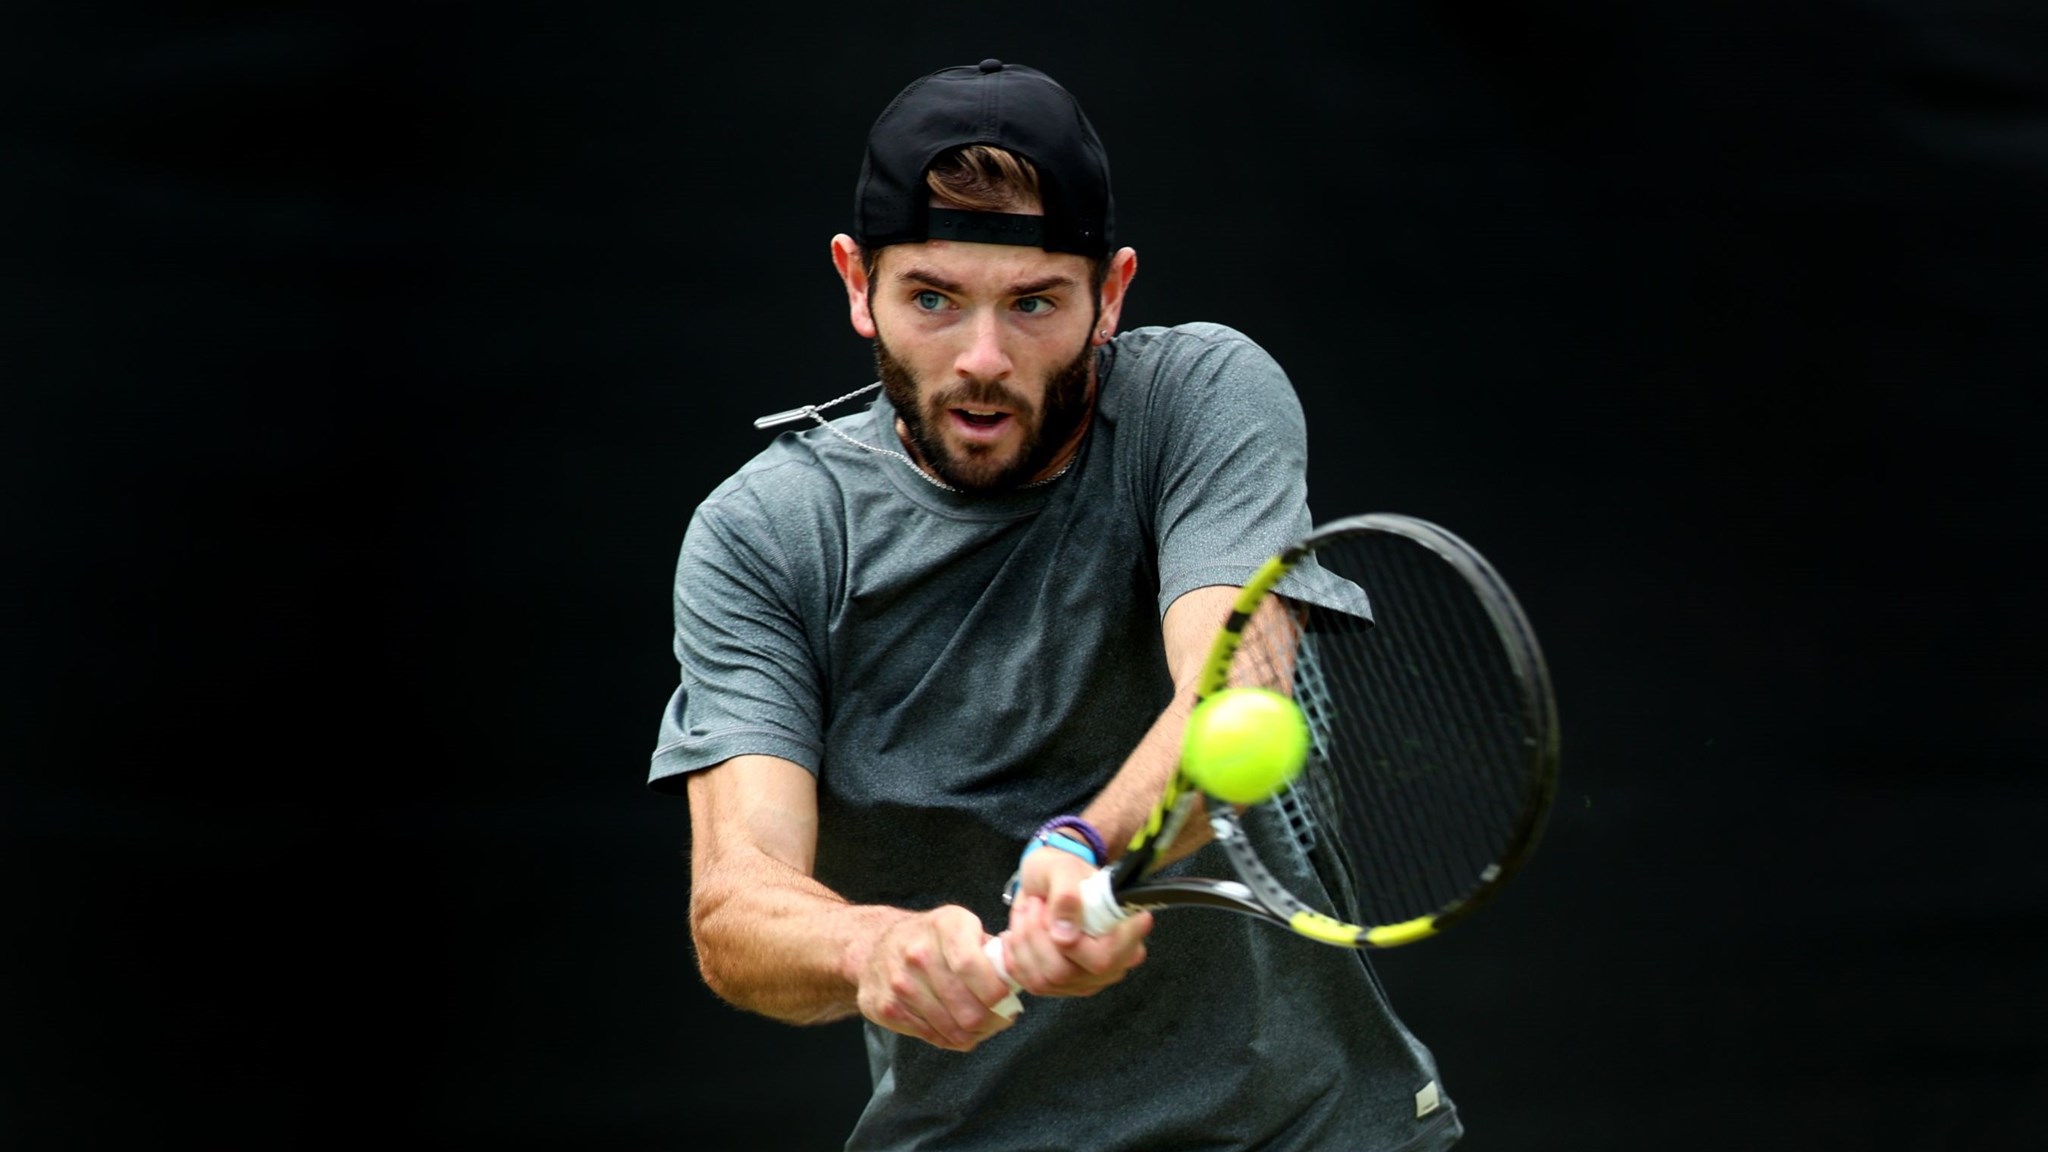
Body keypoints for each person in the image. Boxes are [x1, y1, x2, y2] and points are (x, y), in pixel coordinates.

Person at [649, 59, 1462, 1150]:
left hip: (1310, 1131)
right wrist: (873, 948)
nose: (982, 360)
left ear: (1110, 295)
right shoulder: (765, 535)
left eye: (1034, 303)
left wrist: (1086, 844)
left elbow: (1234, 688)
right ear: (855, 283)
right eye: (931, 299)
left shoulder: (1199, 401)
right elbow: (737, 906)